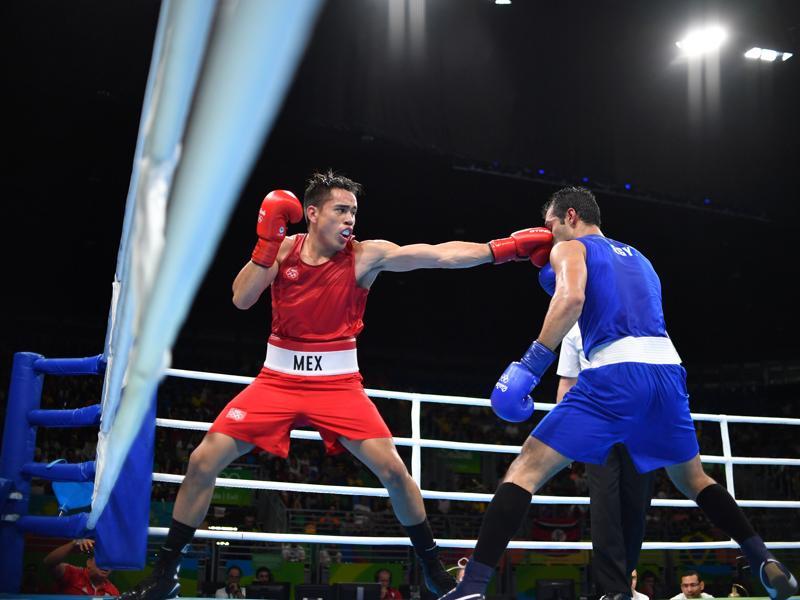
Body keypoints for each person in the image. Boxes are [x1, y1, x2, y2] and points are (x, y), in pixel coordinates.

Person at [121, 170, 553, 600]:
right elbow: (241, 298)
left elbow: (438, 255)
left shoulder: (366, 255)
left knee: (394, 472)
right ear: (312, 213)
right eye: (341, 209)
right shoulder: (284, 249)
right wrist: (267, 243)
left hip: (338, 383)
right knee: (201, 461)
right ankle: (166, 574)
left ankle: (433, 570)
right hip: (277, 379)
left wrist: (504, 250)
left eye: (354, 211)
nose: (350, 219)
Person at [439, 186, 798, 600]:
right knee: (693, 478)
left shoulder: (571, 248)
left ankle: (473, 588)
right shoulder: (641, 258)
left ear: (570, 217)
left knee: (526, 467)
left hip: (615, 374)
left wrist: (531, 364)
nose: (549, 235)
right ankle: (762, 558)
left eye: (551, 226)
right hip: (668, 372)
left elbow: (571, 298)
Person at [557, 323, 655, 600]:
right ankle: (613, 589)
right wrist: (565, 435)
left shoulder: (635, 317)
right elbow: (567, 383)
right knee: (604, 502)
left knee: (637, 503)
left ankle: (624, 581)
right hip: (597, 421)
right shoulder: (573, 330)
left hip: (640, 419)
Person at [44, 538, 120, 596]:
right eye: (101, 560)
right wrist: (73, 544)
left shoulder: (113, 592)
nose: (105, 565)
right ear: (89, 563)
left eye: (110, 562)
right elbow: (49, 562)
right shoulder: (72, 574)